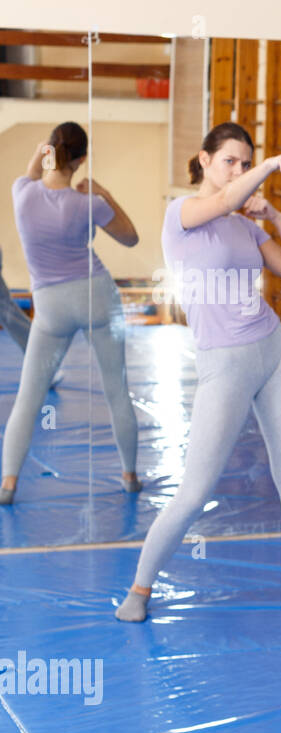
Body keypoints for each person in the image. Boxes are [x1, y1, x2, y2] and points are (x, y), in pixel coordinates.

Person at [113, 122, 281, 624]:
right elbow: (220, 203)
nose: (238, 171)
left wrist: (276, 217)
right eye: (230, 162)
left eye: (245, 162)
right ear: (203, 160)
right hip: (224, 364)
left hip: (273, 353)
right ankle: (138, 589)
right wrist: (265, 169)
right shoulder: (183, 215)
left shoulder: (245, 225)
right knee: (195, 490)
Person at [3, 125, 139, 504]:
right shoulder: (88, 203)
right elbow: (130, 237)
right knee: (116, 391)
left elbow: (31, 173)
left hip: (51, 307)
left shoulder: (21, 193)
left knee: (29, 398)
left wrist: (40, 153)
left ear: (49, 153)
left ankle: (9, 482)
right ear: (81, 160)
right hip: (97, 296)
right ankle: (129, 476)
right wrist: (104, 193)